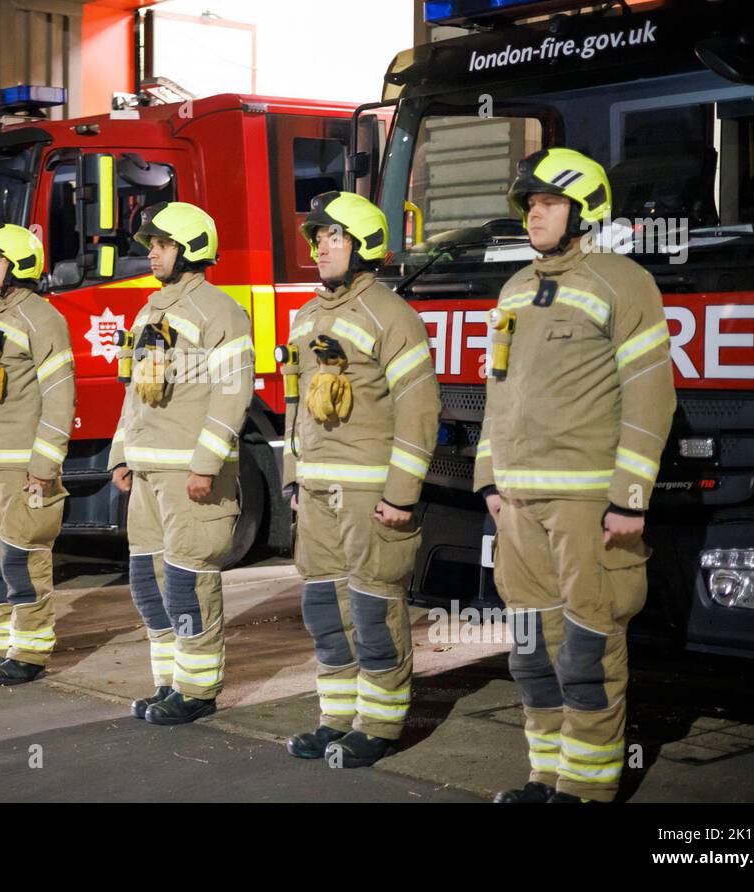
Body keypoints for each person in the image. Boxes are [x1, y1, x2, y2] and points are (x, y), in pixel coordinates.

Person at [477, 148, 675, 803]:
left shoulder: (622, 281)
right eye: (529, 204)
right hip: (519, 505)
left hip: (589, 504)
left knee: (588, 647)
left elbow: (650, 395)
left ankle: (587, 791)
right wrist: (489, 484)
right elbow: (497, 392)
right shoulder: (512, 290)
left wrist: (629, 499)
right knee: (533, 651)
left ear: (585, 211)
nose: (534, 213)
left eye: (548, 202)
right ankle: (546, 778)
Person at [281, 191, 440, 768]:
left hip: (372, 493)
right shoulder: (307, 315)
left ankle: (379, 724)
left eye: (334, 237)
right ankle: (336, 719)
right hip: (318, 493)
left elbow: (420, 410)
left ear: (364, 245)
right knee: (324, 608)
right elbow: (294, 403)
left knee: (373, 608)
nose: (321, 246)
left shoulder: (391, 315)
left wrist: (402, 494)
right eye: (318, 237)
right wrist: (293, 478)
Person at [108, 201, 254, 725]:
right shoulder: (150, 311)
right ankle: (168, 684)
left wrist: (207, 464)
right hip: (146, 473)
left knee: (188, 585)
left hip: (188, 475)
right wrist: (120, 454)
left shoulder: (221, 311)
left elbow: (232, 394)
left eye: (162, 244)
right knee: (147, 584)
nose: (151, 253)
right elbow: (134, 393)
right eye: (151, 244)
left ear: (191, 250)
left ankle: (196, 691)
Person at [0, 224, 75, 685]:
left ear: (20, 266)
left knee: (22, 559)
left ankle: (29, 652)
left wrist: (44, 466)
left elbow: (60, 395)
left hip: (21, 466)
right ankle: (2, 646)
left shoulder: (41, 318)